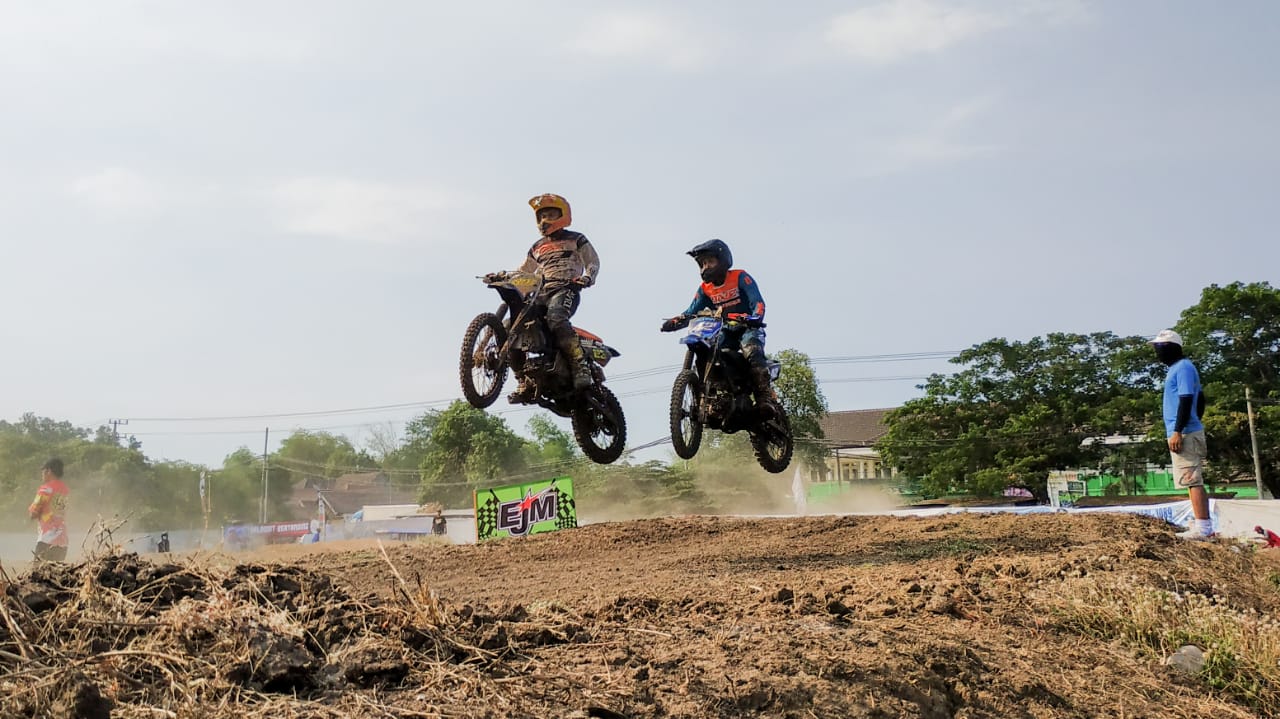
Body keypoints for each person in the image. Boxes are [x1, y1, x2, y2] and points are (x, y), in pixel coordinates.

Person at [505, 193, 601, 403]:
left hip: (566, 289)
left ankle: (579, 366)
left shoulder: (577, 238)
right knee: (510, 326)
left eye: (550, 214)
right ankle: (522, 380)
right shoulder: (536, 246)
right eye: (541, 216)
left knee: (556, 319)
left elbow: (593, 261)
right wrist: (506, 277)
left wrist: (587, 278)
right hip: (540, 292)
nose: (544, 220)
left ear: (562, 215)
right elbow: (524, 270)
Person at [661, 239, 777, 412]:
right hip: (725, 330)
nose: (706, 267)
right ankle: (712, 396)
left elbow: (758, 302)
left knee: (751, 351)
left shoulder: (740, 277)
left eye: (710, 261)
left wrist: (756, 317)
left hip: (748, 327)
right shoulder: (705, 289)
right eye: (702, 263)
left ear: (723, 260)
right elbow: (692, 311)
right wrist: (675, 321)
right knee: (710, 350)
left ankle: (764, 398)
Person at [1151, 329, 1211, 540]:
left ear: (1170, 348)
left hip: (1184, 432)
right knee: (1189, 480)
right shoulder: (1179, 368)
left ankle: (1203, 527)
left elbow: (1187, 400)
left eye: (1159, 348)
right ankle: (1200, 522)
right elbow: (1200, 399)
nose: (1157, 352)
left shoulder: (1183, 368)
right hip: (1187, 429)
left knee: (1192, 479)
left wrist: (1179, 430)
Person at [28, 458, 70, 562]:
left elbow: (33, 513)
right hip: (63, 542)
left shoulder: (45, 489)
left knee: (37, 574)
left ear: (49, 471)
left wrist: (32, 514)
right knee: (55, 576)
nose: (42, 474)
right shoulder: (65, 490)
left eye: (43, 471)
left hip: (47, 540)